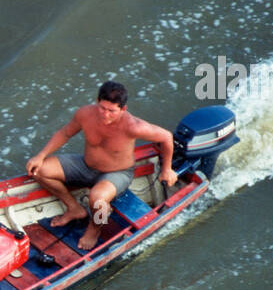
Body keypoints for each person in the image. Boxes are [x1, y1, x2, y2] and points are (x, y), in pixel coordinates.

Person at [25, 81, 178, 251]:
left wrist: (167, 169)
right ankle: (74, 208)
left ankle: (95, 229)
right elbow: (65, 133)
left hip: (117, 173)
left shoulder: (134, 126)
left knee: (97, 198)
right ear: (97, 101)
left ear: (123, 109)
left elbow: (166, 137)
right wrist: (41, 155)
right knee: (39, 170)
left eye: (112, 111)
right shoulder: (85, 114)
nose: (105, 115)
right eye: (102, 108)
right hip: (85, 165)